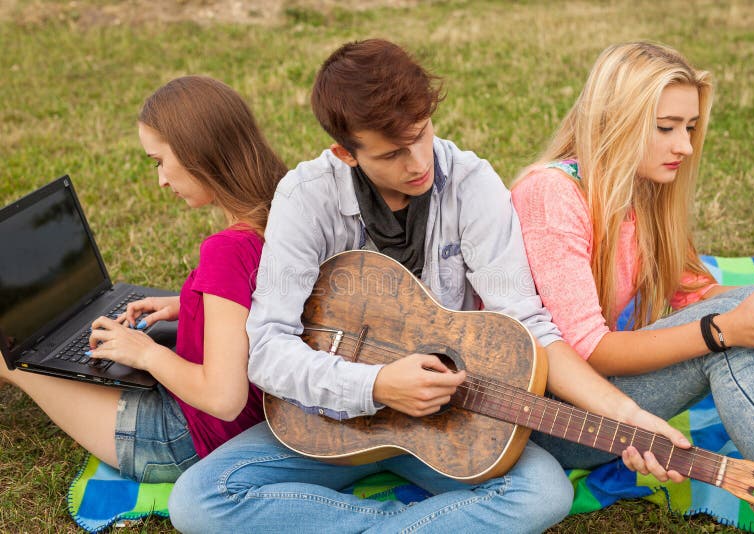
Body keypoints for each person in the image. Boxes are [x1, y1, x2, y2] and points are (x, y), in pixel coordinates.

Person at [168, 39, 691, 534]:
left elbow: (530, 326)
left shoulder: (471, 182)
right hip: (328, 423)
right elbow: (266, 350)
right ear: (346, 152)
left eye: (421, 134)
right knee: (198, 500)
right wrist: (374, 386)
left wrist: (629, 417)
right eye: (392, 153)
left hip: (450, 426)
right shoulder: (304, 197)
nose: (418, 163)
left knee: (543, 493)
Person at [511, 41, 754, 471]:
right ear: (615, 122)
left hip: (606, 399)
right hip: (551, 420)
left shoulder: (643, 190)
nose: (684, 146)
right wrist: (720, 330)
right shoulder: (551, 194)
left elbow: (693, 292)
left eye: (689, 127)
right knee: (732, 341)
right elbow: (590, 350)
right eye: (666, 127)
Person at [0, 75, 288, 483]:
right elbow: (256, 297)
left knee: (9, 357)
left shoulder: (227, 249)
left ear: (197, 153)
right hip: (256, 421)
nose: (161, 180)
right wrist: (190, 302)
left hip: (183, 439)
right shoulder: (283, 208)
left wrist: (146, 353)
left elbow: (223, 399)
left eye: (159, 161)